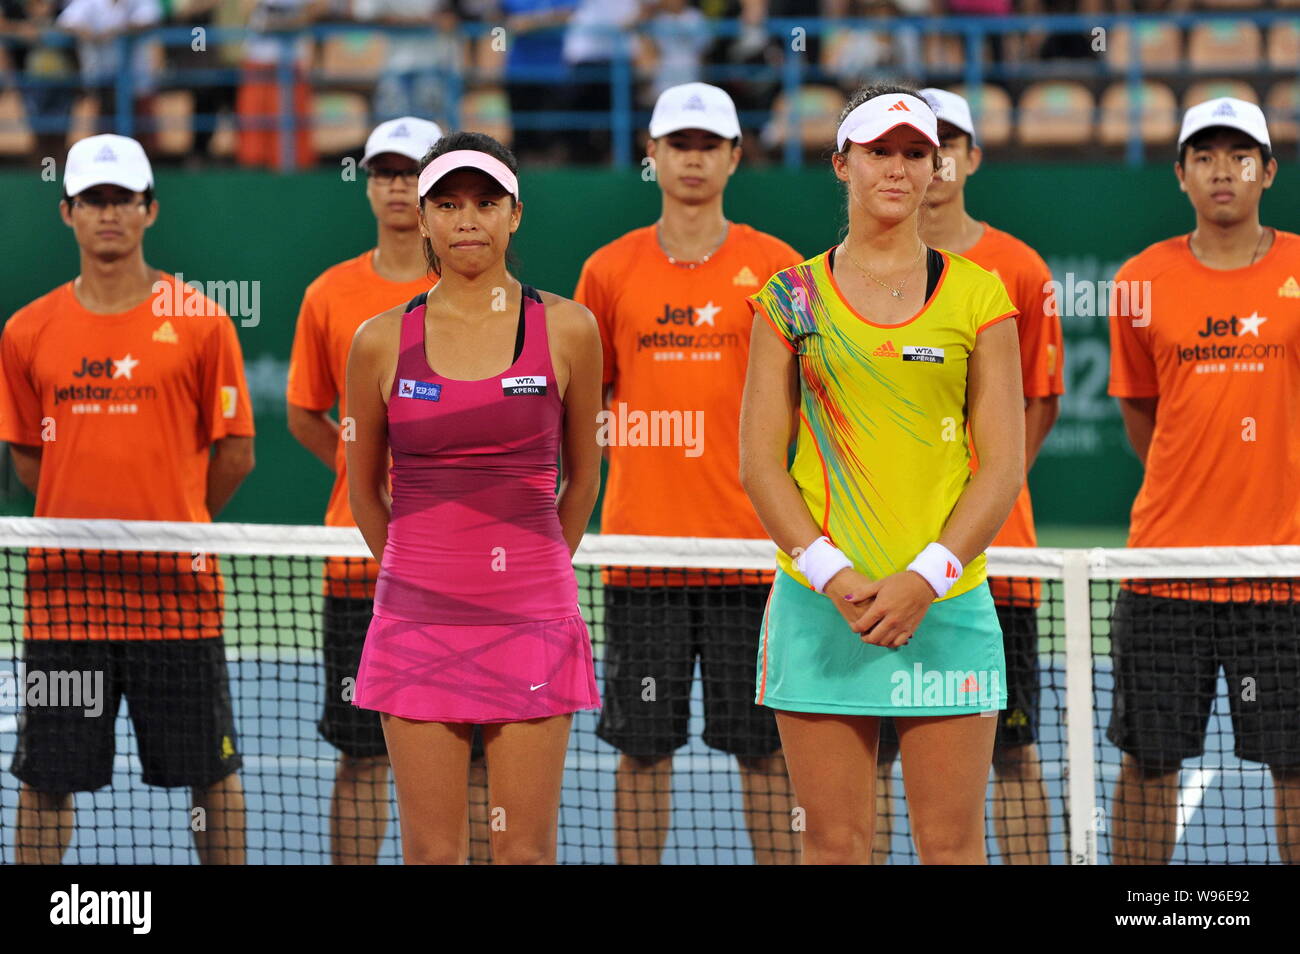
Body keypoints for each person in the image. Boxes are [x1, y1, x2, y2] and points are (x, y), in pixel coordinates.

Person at [739, 83, 1025, 865]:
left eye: (914, 155)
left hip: (948, 609)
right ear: (842, 164)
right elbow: (760, 463)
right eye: (877, 153)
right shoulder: (790, 297)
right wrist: (834, 578)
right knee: (833, 846)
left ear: (939, 168)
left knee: (951, 846)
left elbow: (1000, 465)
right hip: (822, 610)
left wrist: (925, 580)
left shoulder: (980, 295)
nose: (896, 170)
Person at [346, 131, 603, 865]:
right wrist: (417, 570)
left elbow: (584, 477)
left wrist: (536, 569)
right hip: (415, 619)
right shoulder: (377, 341)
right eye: (449, 203)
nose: (468, 219)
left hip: (533, 617)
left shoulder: (570, 328)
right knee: (433, 853)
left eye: (486, 202)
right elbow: (365, 489)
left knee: (523, 849)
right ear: (421, 217)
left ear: (514, 214)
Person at [0, 134, 255, 864]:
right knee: (47, 779)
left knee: (212, 776)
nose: (108, 213)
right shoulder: (26, 331)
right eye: (93, 200)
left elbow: (235, 452)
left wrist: (171, 519)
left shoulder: (203, 321)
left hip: (175, 607)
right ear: (67, 213)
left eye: (123, 200)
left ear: (150, 210)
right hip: (66, 605)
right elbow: (29, 459)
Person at [574, 81, 802, 865]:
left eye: (709, 146)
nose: (694, 159)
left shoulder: (778, 270)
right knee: (642, 751)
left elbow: (810, 398)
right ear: (653, 154)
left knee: (766, 751)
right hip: (642, 557)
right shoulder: (607, 271)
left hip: (754, 555)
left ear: (736, 157)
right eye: (679, 144)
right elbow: (585, 408)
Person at [287, 117, 501, 865]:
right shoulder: (331, 295)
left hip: (480, 572)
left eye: (414, 173)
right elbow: (306, 411)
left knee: (477, 758)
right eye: (384, 172)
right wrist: (365, 475)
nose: (399, 186)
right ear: (370, 184)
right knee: (362, 753)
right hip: (365, 570)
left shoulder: (497, 296)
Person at [872, 86, 1063, 865]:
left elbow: (1037, 408)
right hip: (875, 559)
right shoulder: (846, 271)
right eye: (914, 144)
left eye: (946, 142)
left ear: (971, 157)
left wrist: (973, 504)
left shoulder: (1016, 268)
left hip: (993, 565)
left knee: (1011, 755)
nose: (933, 158)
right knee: (874, 758)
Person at [1106, 97, 1300, 865]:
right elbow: (1143, 418)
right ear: (1181, 174)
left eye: (1240, 155)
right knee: (1149, 761)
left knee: (1296, 765)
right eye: (1207, 156)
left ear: (1269, 172)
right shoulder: (1139, 281)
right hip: (1166, 571)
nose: (1224, 171)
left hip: (1284, 571)